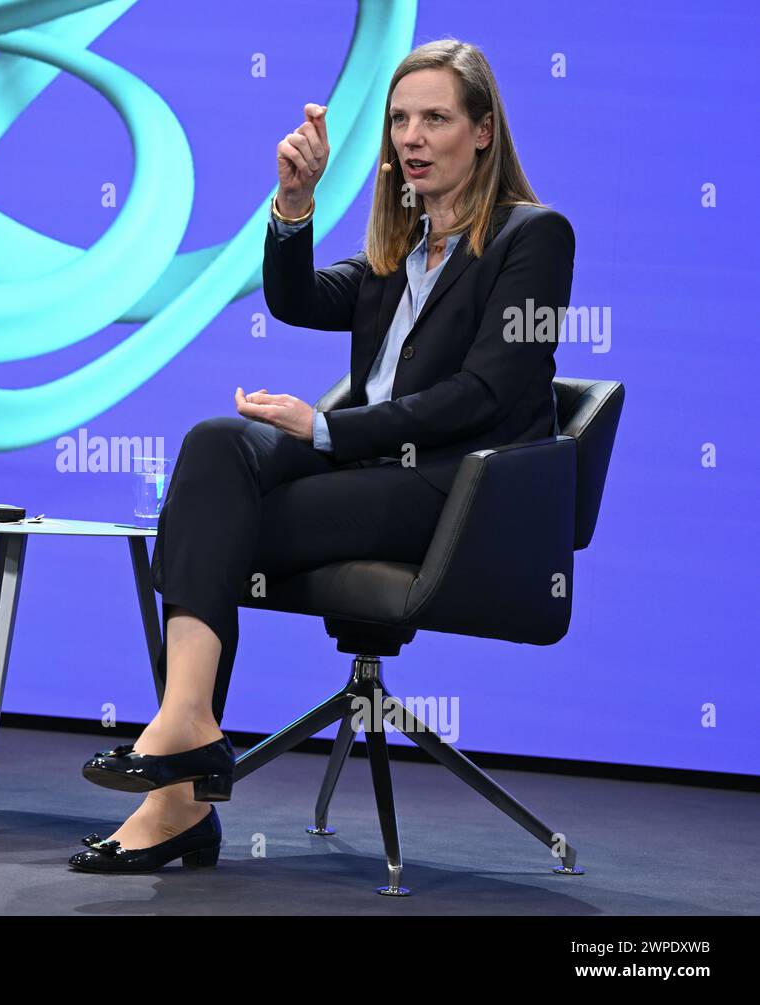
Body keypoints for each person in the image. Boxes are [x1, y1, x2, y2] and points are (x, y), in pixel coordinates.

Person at [70, 39, 575, 873]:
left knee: (211, 520)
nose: (411, 137)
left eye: (436, 119)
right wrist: (294, 202)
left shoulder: (534, 236)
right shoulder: (401, 247)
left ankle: (176, 799)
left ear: (483, 132)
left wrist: (330, 429)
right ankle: (188, 724)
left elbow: (486, 395)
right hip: (376, 472)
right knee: (215, 446)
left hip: (457, 493)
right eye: (400, 120)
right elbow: (295, 297)